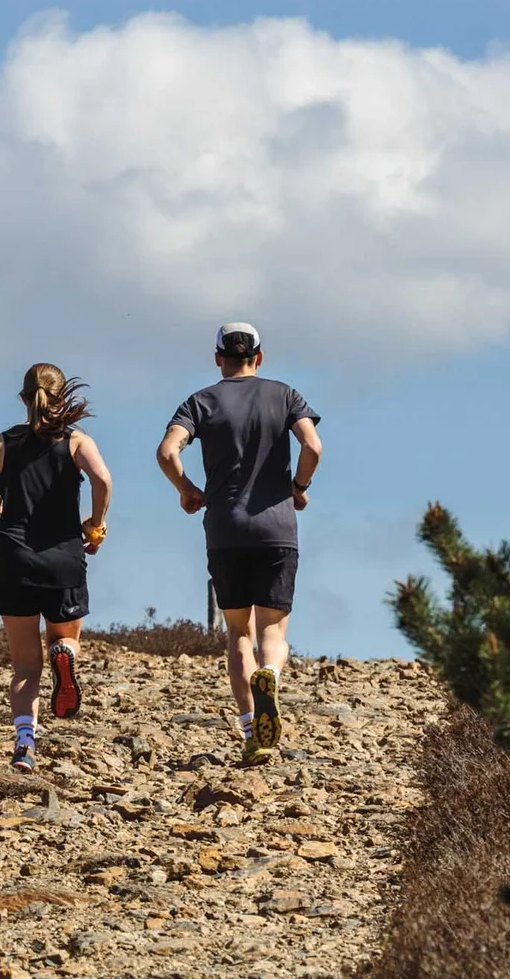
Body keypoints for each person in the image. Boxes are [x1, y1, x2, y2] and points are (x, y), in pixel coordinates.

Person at [156, 323, 321, 767]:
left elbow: (167, 451)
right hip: (277, 529)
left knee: (238, 632)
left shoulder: (201, 401)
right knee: (273, 630)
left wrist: (187, 489)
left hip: (226, 530)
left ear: (217, 359)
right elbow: (313, 445)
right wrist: (298, 485)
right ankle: (269, 676)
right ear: (259, 357)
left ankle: (251, 727)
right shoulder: (286, 395)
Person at [0, 364, 112, 774]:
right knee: (65, 640)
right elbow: (103, 479)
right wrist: (95, 526)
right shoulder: (76, 441)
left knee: (25, 667)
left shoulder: (3, 443)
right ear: (61, 398)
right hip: (63, 557)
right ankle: (64, 652)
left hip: (14, 559)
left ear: (25, 399)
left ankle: (25, 744)